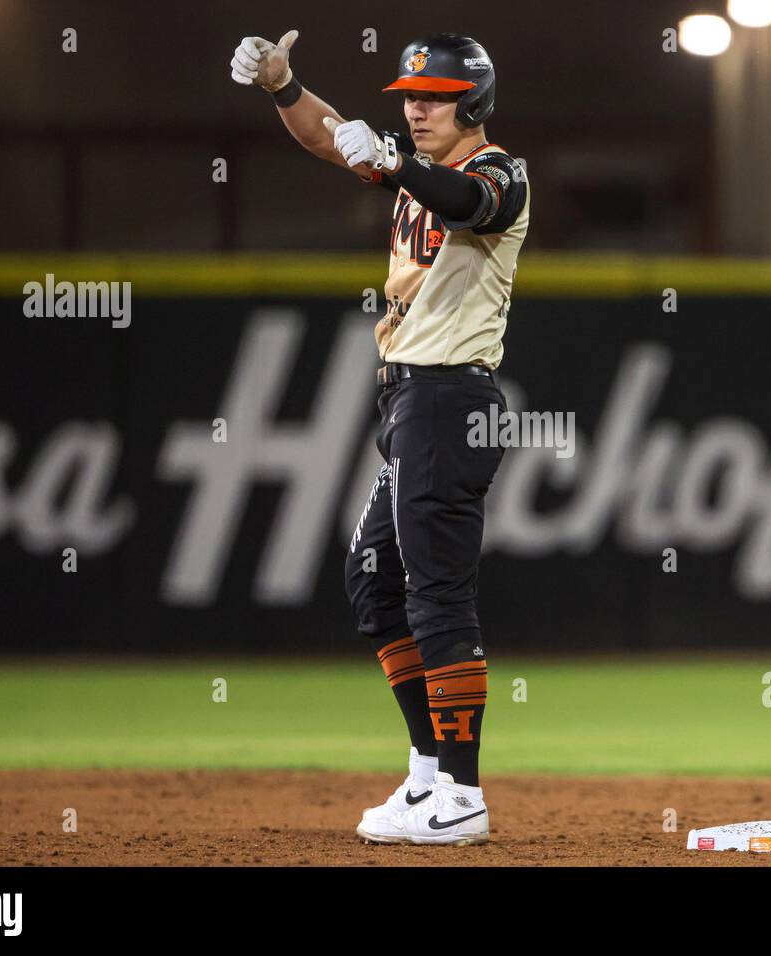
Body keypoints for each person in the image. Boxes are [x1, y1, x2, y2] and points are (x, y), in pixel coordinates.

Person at [231, 31, 530, 845]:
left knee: (438, 593)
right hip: (407, 402)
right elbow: (331, 138)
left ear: (474, 102)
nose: (417, 106)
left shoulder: (499, 168)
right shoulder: (414, 170)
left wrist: (394, 161)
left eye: (434, 95)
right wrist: (286, 87)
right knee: (373, 582)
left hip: (449, 397)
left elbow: (473, 204)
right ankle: (428, 775)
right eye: (410, 95)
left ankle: (463, 794)